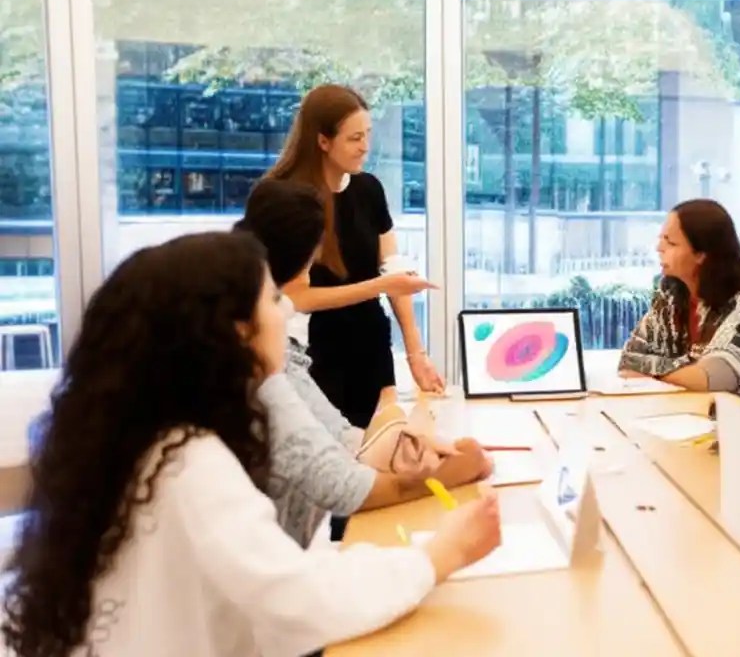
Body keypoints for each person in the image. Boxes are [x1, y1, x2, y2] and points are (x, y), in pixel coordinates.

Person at [1, 232, 501, 657]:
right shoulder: (188, 460)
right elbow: (295, 600)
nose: (285, 311)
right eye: (273, 300)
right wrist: (440, 554)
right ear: (238, 332)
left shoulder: (142, 442)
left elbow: (268, 576)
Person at [234, 178, 492, 547]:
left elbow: (339, 436)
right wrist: (447, 475)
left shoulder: (278, 357)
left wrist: (411, 444)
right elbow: (343, 486)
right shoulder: (261, 370)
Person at [266, 84, 440, 429]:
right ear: (323, 141)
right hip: (314, 355)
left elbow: (393, 269)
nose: (365, 146)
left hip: (370, 346)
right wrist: (380, 284)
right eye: (354, 138)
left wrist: (415, 354)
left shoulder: (368, 189)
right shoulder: (288, 201)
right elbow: (296, 297)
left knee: (382, 454)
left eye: (368, 135)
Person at [618, 199, 740, 408]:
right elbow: (629, 362)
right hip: (688, 417)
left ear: (701, 254)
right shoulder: (671, 295)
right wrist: (685, 370)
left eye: (671, 243)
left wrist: (652, 370)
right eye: (661, 239)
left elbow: (712, 379)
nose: (659, 248)